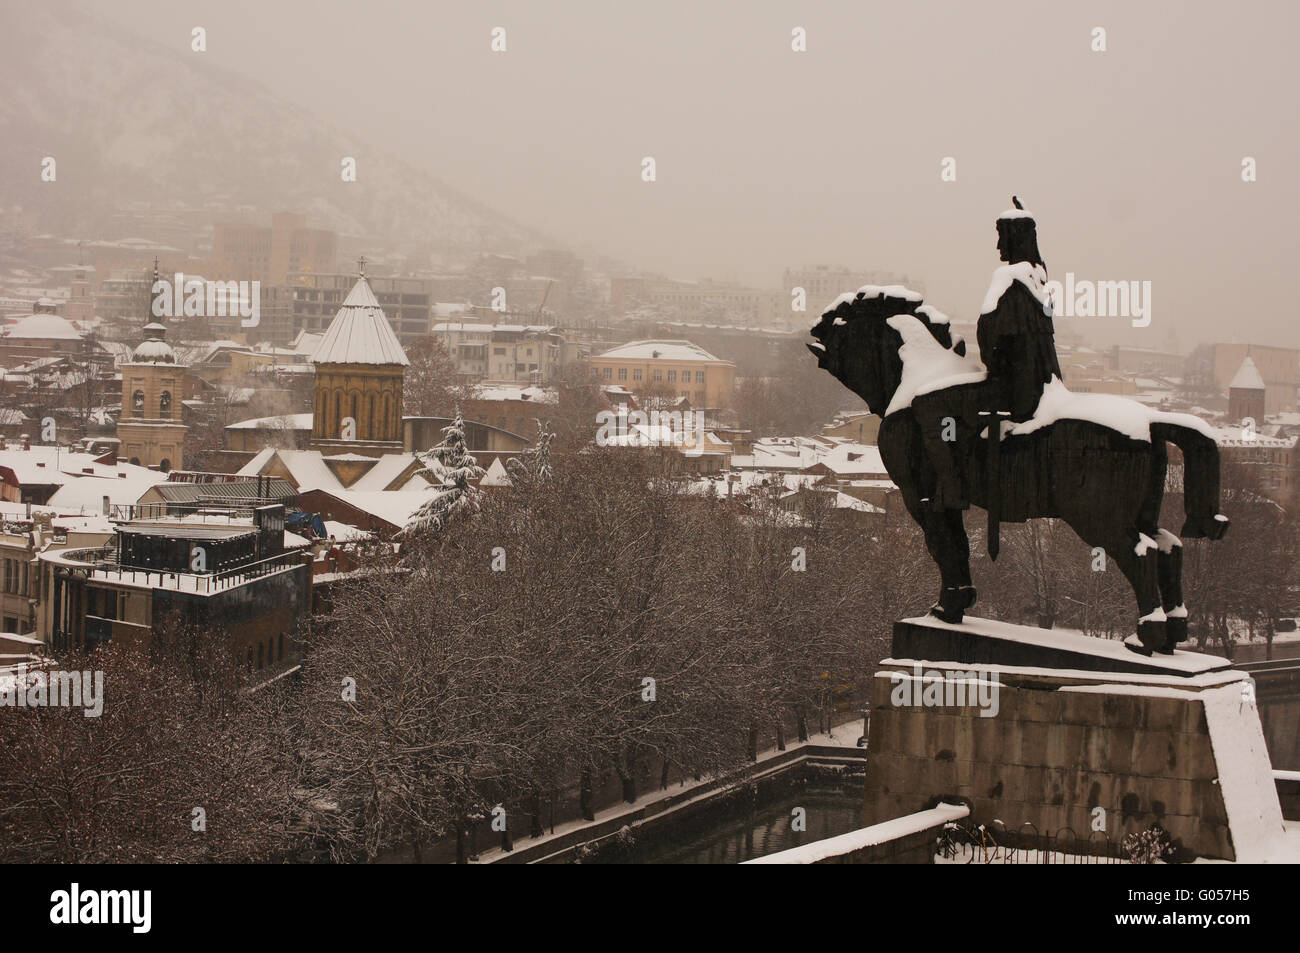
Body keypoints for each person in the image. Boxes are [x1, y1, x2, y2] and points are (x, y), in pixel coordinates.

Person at [913, 198, 1061, 510]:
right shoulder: (1039, 275)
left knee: (929, 404)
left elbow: (990, 337)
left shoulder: (1008, 280)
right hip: (1043, 386)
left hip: (1012, 391)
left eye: (1001, 235)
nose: (997, 246)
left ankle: (951, 489)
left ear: (1014, 238)